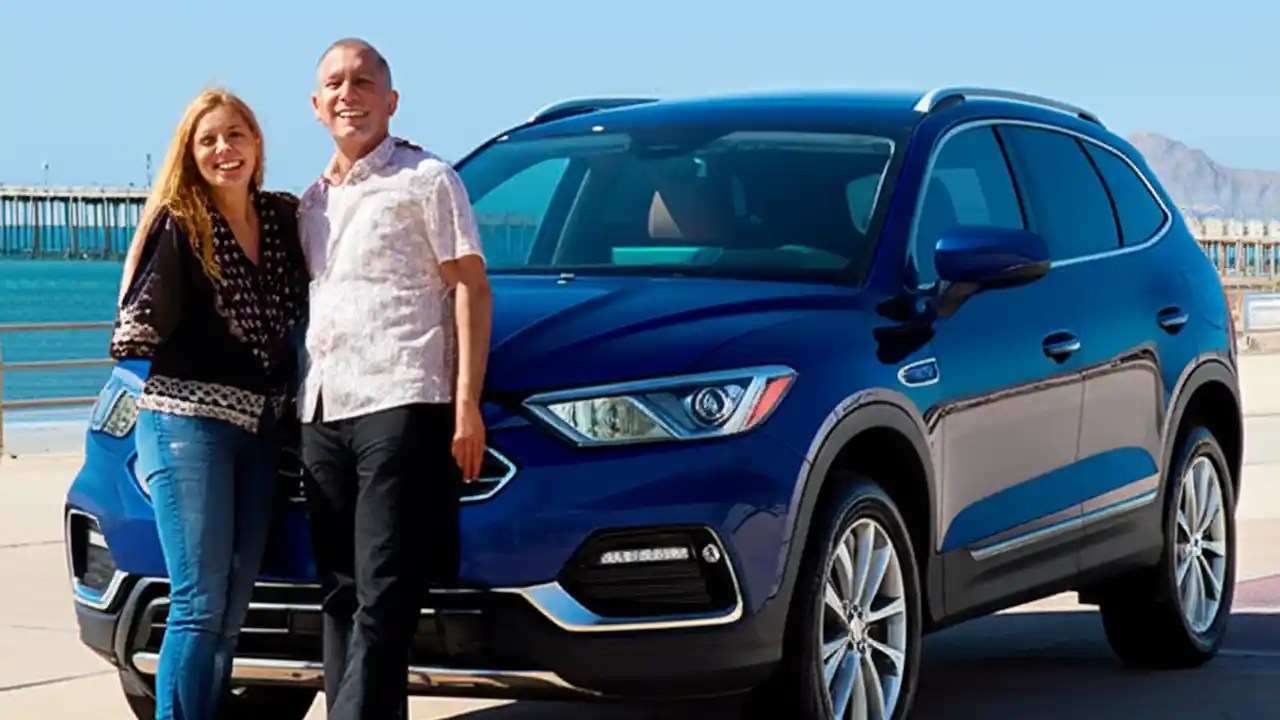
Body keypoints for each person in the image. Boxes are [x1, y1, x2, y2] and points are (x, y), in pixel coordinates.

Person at [296, 38, 493, 719]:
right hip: (323, 408)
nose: (348, 93)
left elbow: (470, 288)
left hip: (403, 398)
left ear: (391, 99)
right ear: (317, 106)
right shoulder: (310, 204)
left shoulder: (427, 179)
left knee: (385, 590)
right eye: (335, 84)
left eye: (362, 81)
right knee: (340, 591)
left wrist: (465, 403)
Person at [109, 88, 310, 720]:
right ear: (191, 154)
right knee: (197, 605)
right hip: (185, 428)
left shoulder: (280, 218)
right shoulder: (181, 223)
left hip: (259, 434)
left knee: (229, 610)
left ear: (258, 144)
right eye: (209, 140)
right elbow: (135, 329)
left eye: (236, 136)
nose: (224, 150)